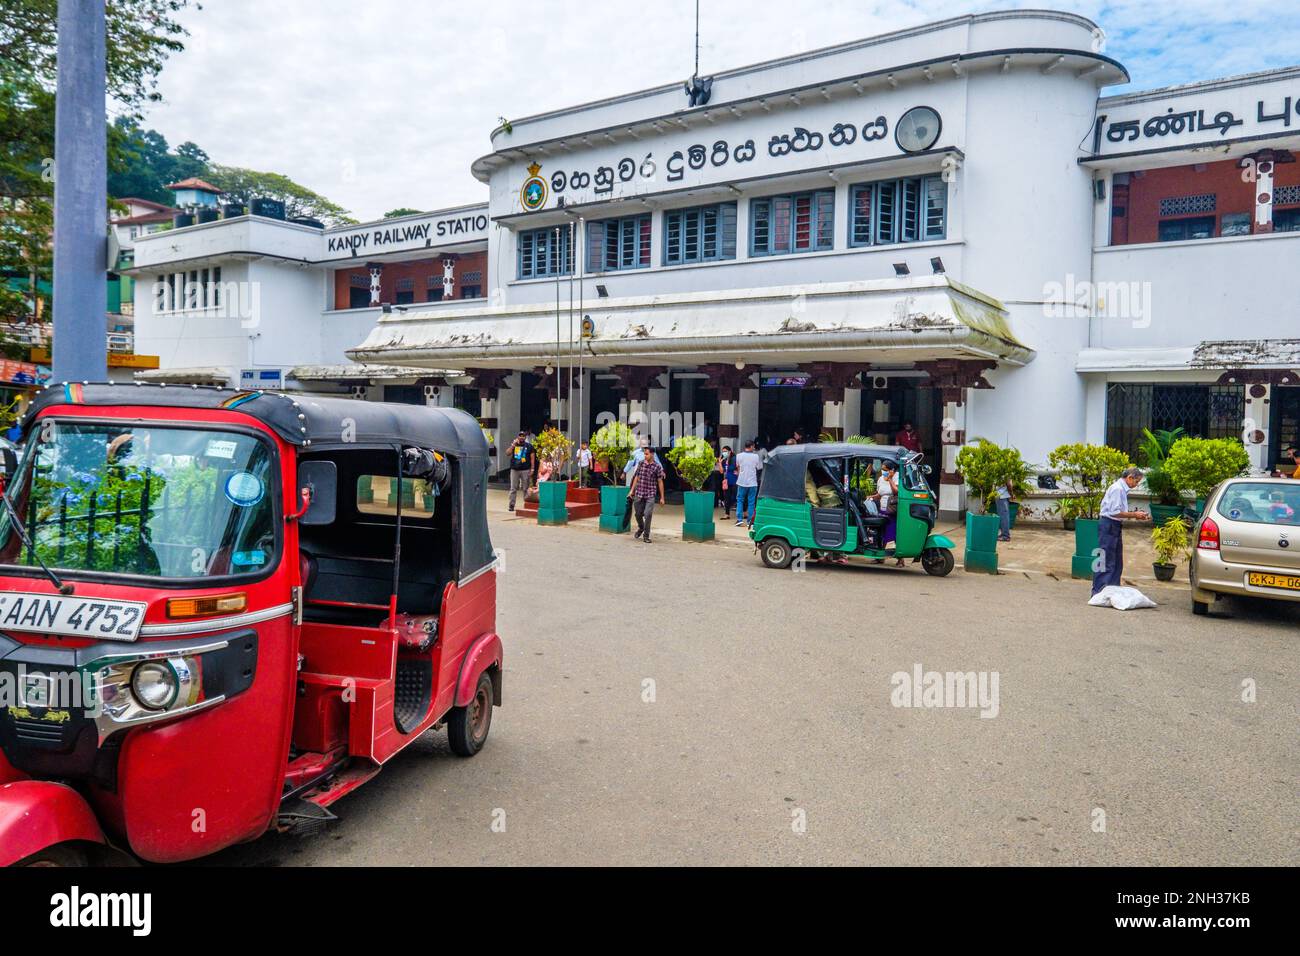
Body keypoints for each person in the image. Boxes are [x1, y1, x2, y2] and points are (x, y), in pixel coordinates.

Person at [1092, 466, 1150, 595]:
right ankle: (1099, 591)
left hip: (1113, 525)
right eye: (1136, 481)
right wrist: (1135, 515)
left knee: (1116, 561)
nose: (1137, 485)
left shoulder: (1121, 489)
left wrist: (1135, 515)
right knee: (1106, 559)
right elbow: (1115, 512)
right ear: (1129, 478)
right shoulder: (1118, 489)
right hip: (1109, 524)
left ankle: (1111, 590)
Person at [627, 444, 665, 542]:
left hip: (650, 494)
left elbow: (660, 482)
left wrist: (662, 497)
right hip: (639, 493)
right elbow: (637, 477)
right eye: (644, 454)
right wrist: (631, 491)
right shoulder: (641, 464)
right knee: (638, 514)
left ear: (652, 454)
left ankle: (646, 536)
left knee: (648, 514)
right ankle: (641, 527)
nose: (645, 456)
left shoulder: (657, 467)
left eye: (647, 454)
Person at [871, 460, 905, 567]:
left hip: (893, 511)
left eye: (885, 470)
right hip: (883, 510)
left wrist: (889, 479)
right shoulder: (880, 479)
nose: (883, 471)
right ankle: (880, 557)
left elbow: (896, 492)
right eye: (882, 469)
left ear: (892, 470)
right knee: (882, 533)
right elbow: (879, 494)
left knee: (895, 534)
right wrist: (870, 497)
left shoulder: (897, 477)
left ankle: (900, 559)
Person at [734, 440, 762, 527]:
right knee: (751, 502)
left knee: (740, 500)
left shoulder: (738, 456)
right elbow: (759, 467)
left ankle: (739, 519)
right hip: (753, 482)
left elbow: (738, 466)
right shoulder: (756, 456)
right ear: (752, 446)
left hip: (741, 481)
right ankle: (750, 521)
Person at [506, 430, 534, 511]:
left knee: (525, 488)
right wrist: (513, 445)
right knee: (513, 488)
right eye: (520, 436)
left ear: (525, 437)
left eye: (523, 436)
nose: (521, 437)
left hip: (525, 469)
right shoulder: (514, 445)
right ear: (518, 437)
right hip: (515, 469)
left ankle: (526, 504)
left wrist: (532, 469)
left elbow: (532, 458)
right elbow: (507, 453)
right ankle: (511, 505)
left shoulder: (529, 446)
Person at [718, 445, 737, 519]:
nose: (724, 453)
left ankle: (744, 512)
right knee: (727, 497)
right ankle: (727, 514)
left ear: (730, 451)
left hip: (735, 481)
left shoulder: (734, 458)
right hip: (726, 482)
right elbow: (721, 471)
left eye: (725, 451)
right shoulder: (724, 460)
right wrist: (720, 462)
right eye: (723, 452)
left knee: (736, 497)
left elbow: (736, 467)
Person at [994, 478, 1015, 542]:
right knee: (1003, 516)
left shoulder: (1006, 471)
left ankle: (1005, 536)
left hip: (1002, 495)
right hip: (1000, 495)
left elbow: (1009, 484)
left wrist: (1011, 494)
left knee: (1004, 516)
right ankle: (1003, 534)